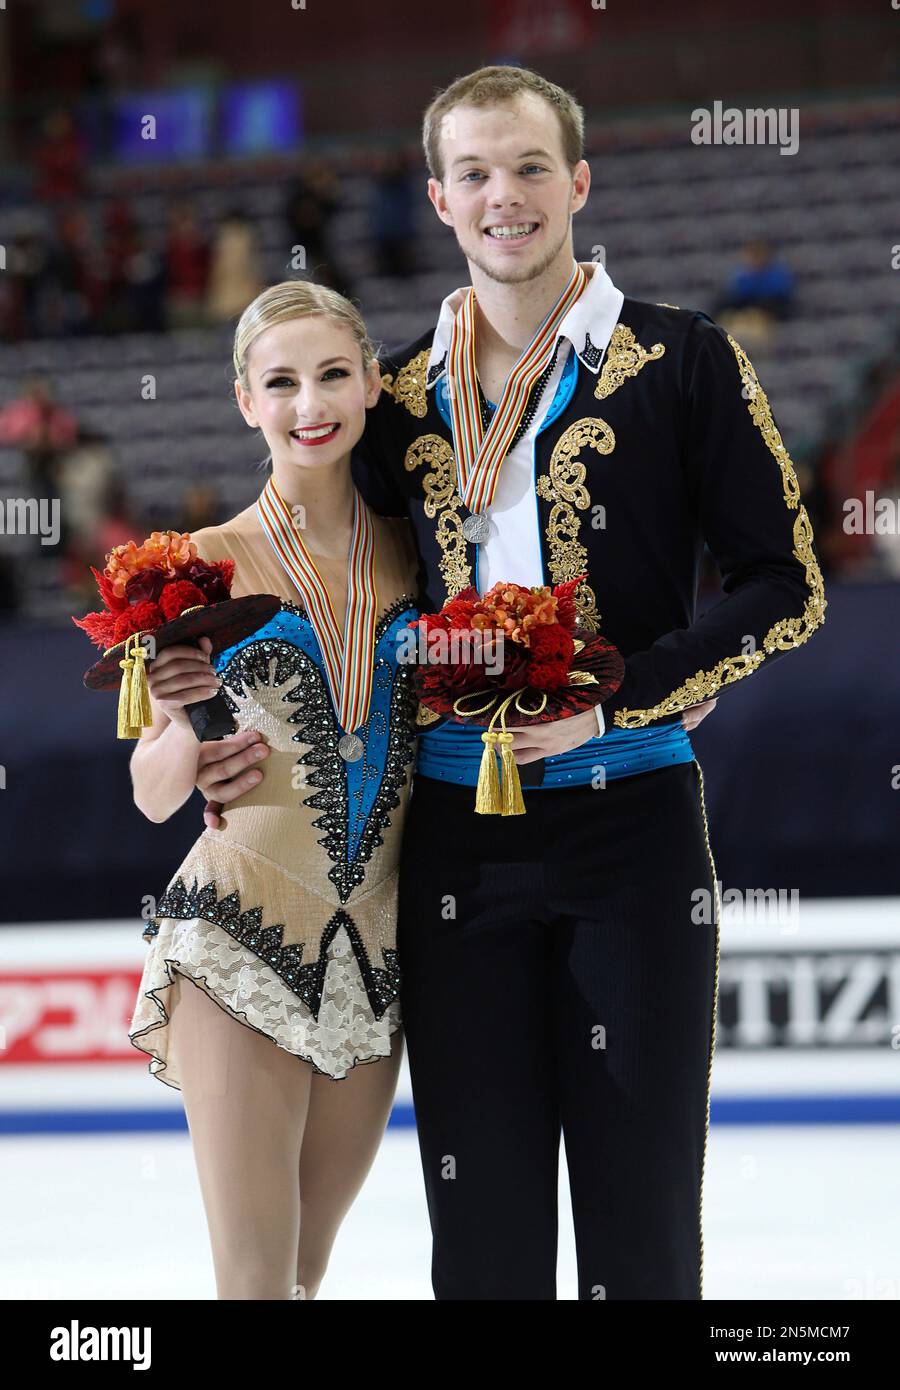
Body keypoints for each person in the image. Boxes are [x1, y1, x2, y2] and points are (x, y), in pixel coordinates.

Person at [344, 65, 827, 1300]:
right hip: (454, 839)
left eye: (529, 168)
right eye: (475, 174)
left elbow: (786, 583)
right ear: (441, 201)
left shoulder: (681, 358)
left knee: (643, 1220)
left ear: (580, 183)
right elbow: (345, 599)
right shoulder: (397, 401)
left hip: (634, 827)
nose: (504, 196)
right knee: (485, 1236)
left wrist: (637, 693)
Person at [127, 280, 421, 1300]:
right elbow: (152, 790)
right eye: (282, 381)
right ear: (246, 400)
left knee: (303, 1276)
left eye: (334, 373)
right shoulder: (201, 568)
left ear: (372, 383)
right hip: (238, 936)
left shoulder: (423, 553)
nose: (312, 402)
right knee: (251, 1286)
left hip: (374, 954)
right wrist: (191, 752)